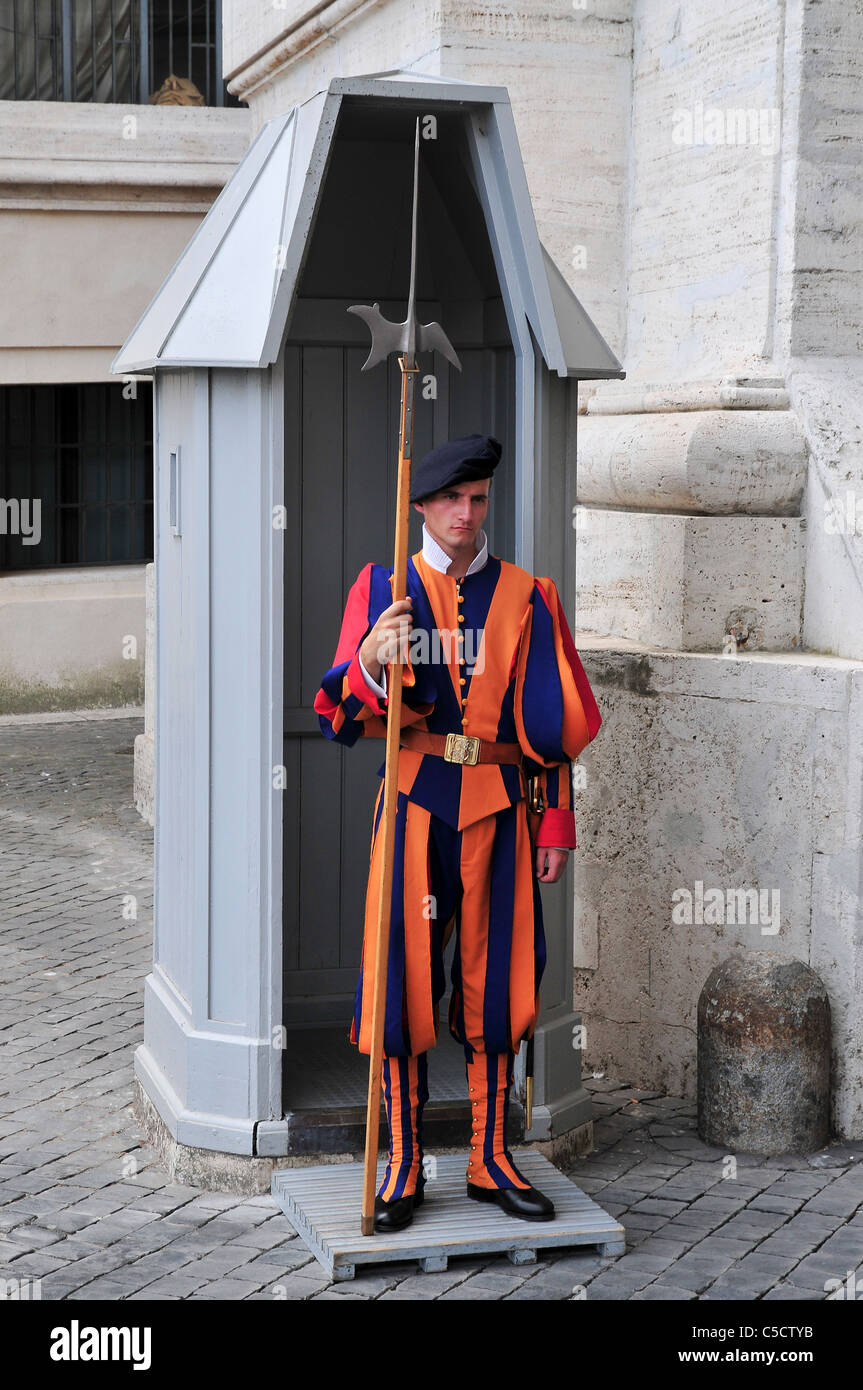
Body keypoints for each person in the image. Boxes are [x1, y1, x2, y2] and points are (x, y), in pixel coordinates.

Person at [313, 434, 602, 1231]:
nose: (465, 516)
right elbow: (339, 713)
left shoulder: (528, 595)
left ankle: (489, 1156)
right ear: (422, 505)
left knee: (501, 978)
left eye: (477, 500)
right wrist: (372, 661)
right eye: (450, 501)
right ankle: (402, 1162)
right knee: (405, 979)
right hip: (413, 799)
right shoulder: (382, 590)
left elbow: (554, 726)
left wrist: (556, 823)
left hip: (504, 807)